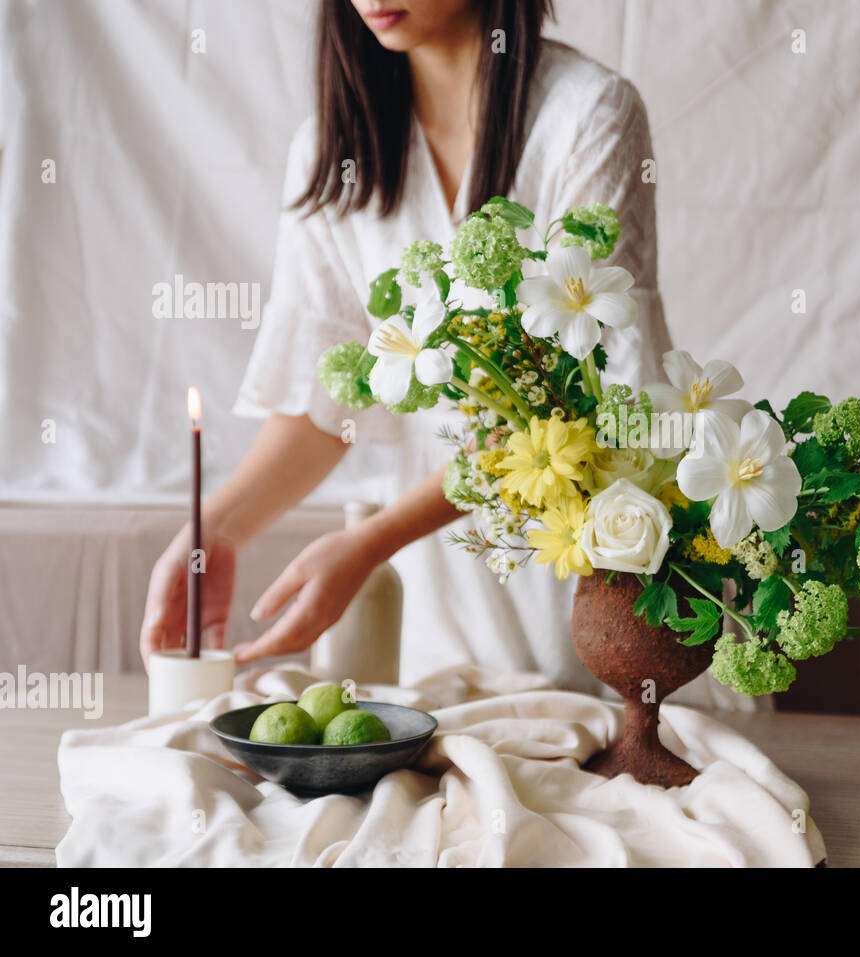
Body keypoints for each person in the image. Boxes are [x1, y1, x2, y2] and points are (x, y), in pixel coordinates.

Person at [139, 0, 756, 710]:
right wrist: (215, 528)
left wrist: (374, 540)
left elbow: (574, 402)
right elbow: (322, 406)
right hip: (453, 605)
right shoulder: (334, 149)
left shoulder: (589, 116)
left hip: (619, 575)